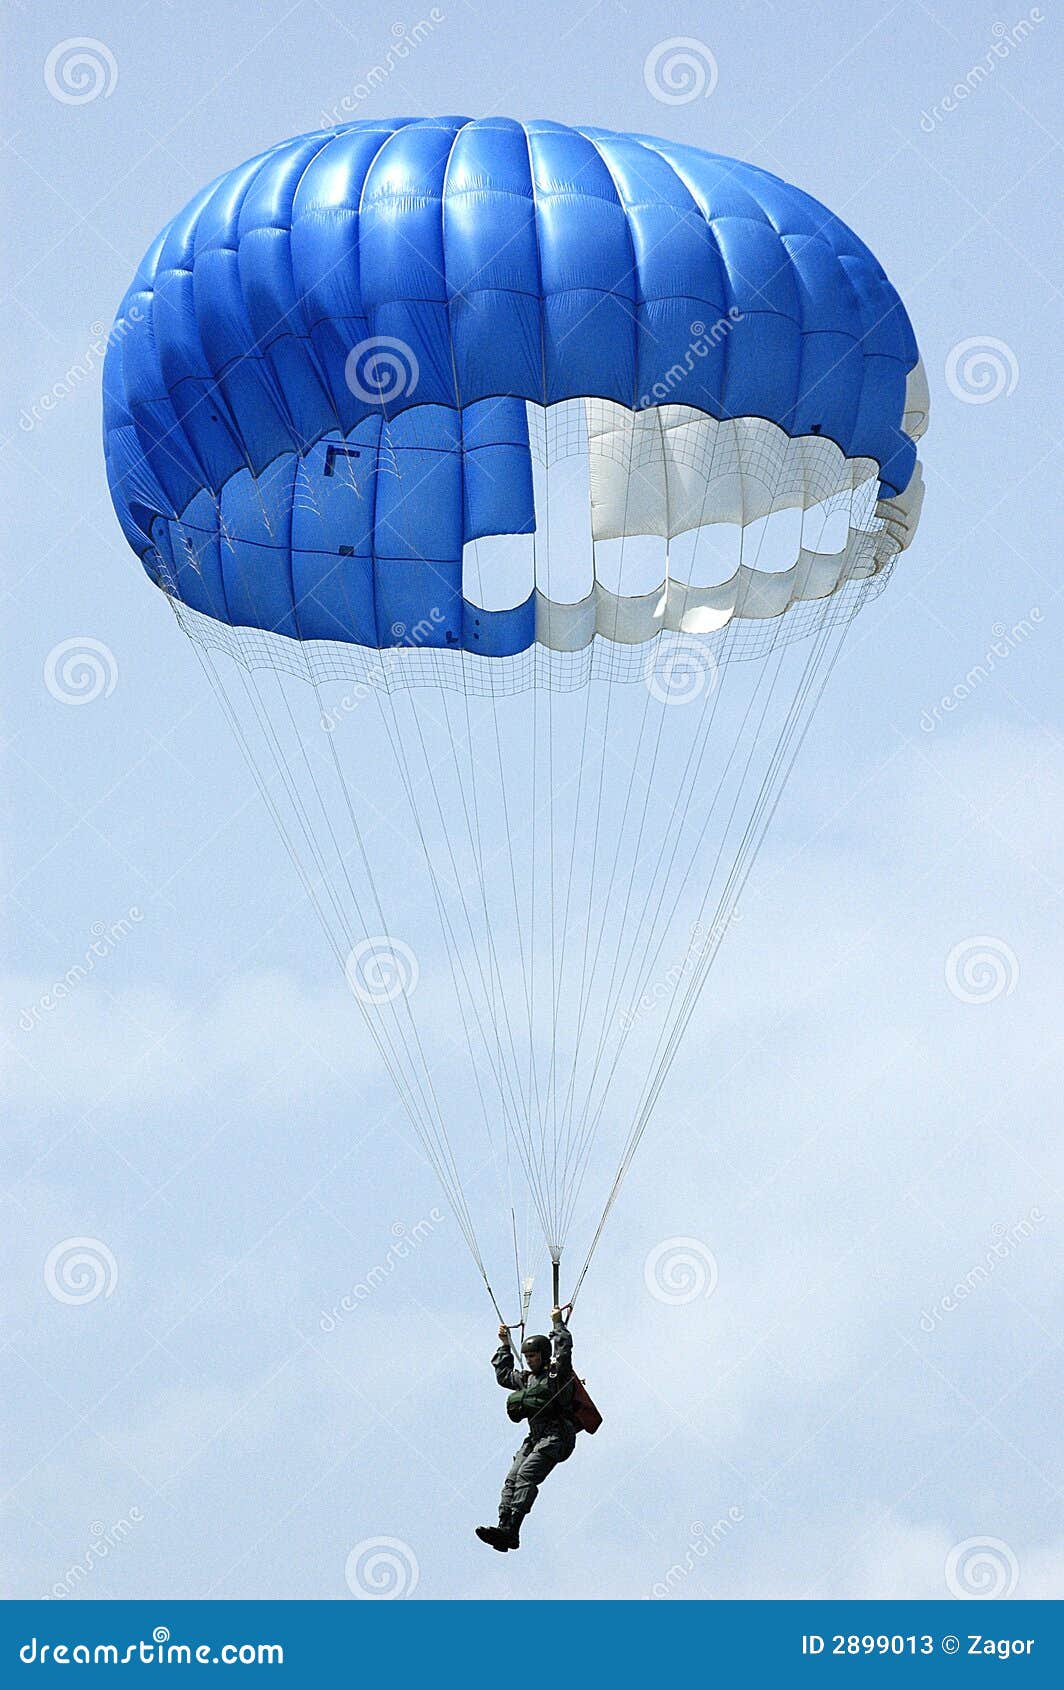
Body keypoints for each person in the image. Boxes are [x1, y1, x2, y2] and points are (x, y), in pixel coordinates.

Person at [476, 1307, 576, 1551]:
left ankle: (513, 1530)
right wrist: (503, 1345)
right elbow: (503, 1376)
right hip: (535, 1438)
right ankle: (503, 1526)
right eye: (527, 1356)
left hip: (556, 1436)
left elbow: (564, 1351)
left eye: (533, 1356)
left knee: (526, 1476)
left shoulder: (556, 1375)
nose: (529, 1360)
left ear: (543, 1355)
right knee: (511, 1479)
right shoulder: (526, 1379)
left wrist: (557, 1323)